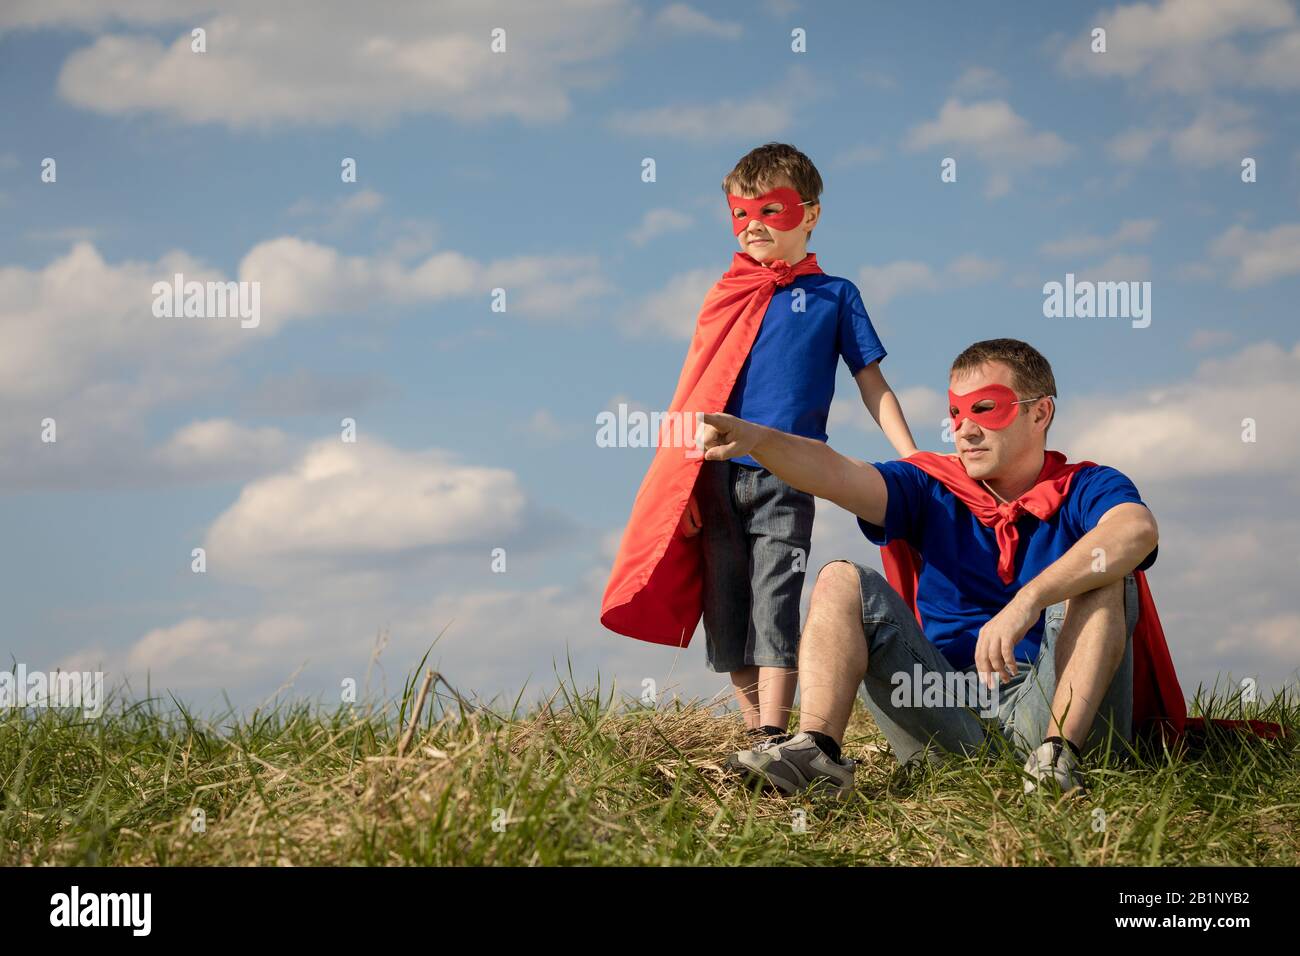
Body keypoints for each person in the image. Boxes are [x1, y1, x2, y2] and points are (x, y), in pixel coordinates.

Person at [698, 338, 1160, 795]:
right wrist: (760, 440)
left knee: (1105, 575)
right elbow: (837, 473)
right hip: (947, 713)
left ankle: (1057, 761)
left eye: (986, 409)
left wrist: (1029, 599)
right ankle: (815, 753)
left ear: (1040, 413)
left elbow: (1136, 531)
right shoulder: (930, 483)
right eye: (956, 414)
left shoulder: (1088, 485)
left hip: (1051, 709)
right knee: (839, 578)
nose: (964, 430)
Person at [601, 143, 917, 745]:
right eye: (741, 214)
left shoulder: (836, 295)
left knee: (776, 593)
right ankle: (752, 733)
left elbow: (870, 382)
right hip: (717, 472)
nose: (753, 226)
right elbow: (697, 391)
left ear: (810, 214)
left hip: (789, 473)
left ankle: (775, 733)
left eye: (771, 211)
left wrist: (911, 455)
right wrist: (684, 484)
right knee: (727, 602)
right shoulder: (726, 294)